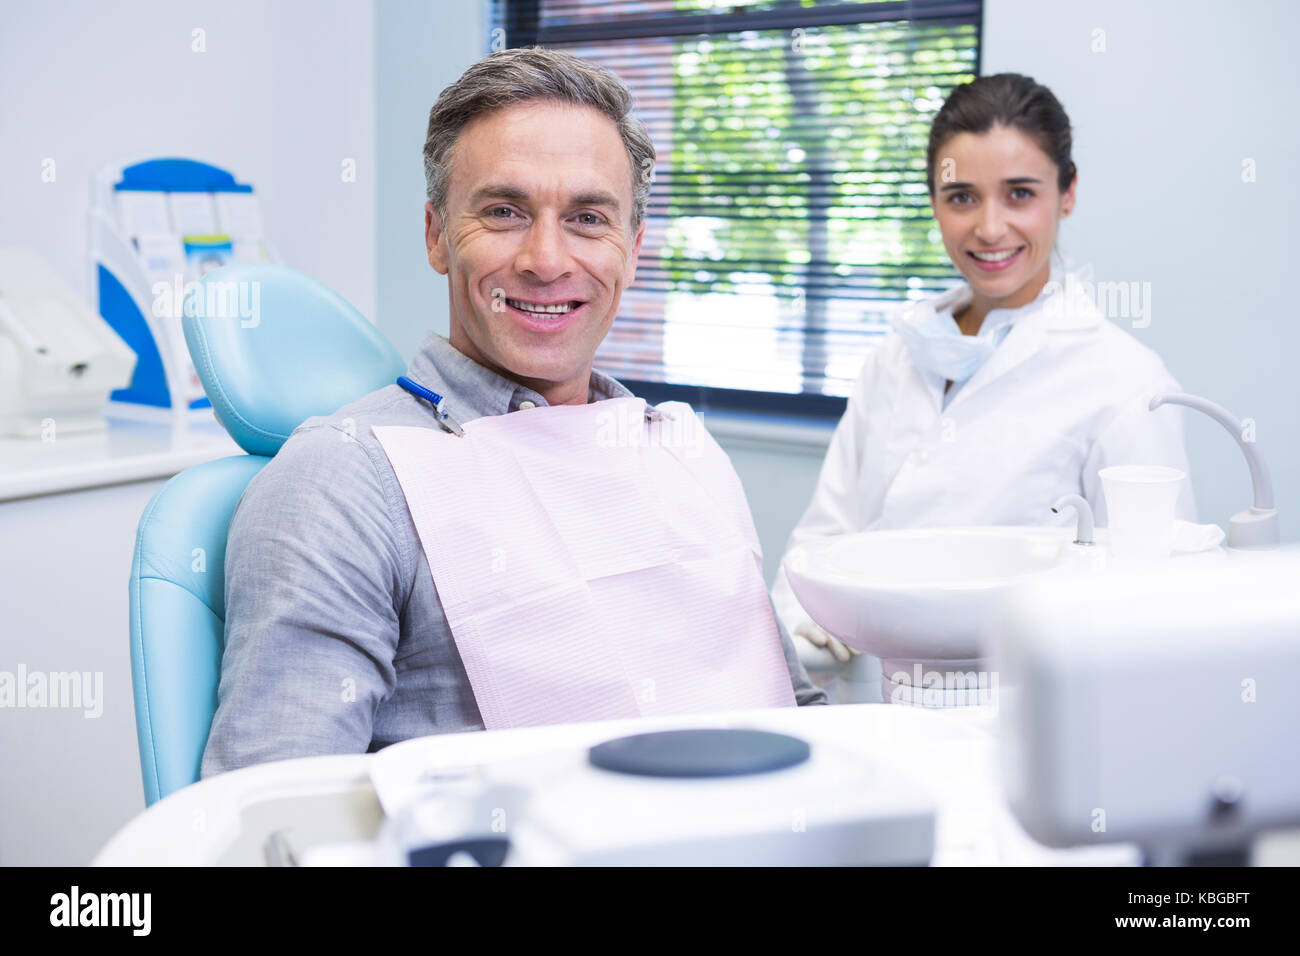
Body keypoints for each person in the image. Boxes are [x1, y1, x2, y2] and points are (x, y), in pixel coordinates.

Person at [201, 48, 825, 778]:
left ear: (630, 248)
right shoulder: (345, 481)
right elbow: (269, 809)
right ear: (436, 235)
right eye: (504, 212)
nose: (546, 259)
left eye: (589, 218)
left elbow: (792, 710)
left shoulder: (680, 452)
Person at [772, 73, 1195, 669]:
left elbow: (1153, 601)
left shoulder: (1125, 382)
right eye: (962, 196)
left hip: (1020, 717)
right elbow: (825, 533)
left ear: (1067, 193)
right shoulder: (895, 358)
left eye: (1020, 193)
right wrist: (801, 620)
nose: (990, 228)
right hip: (867, 695)